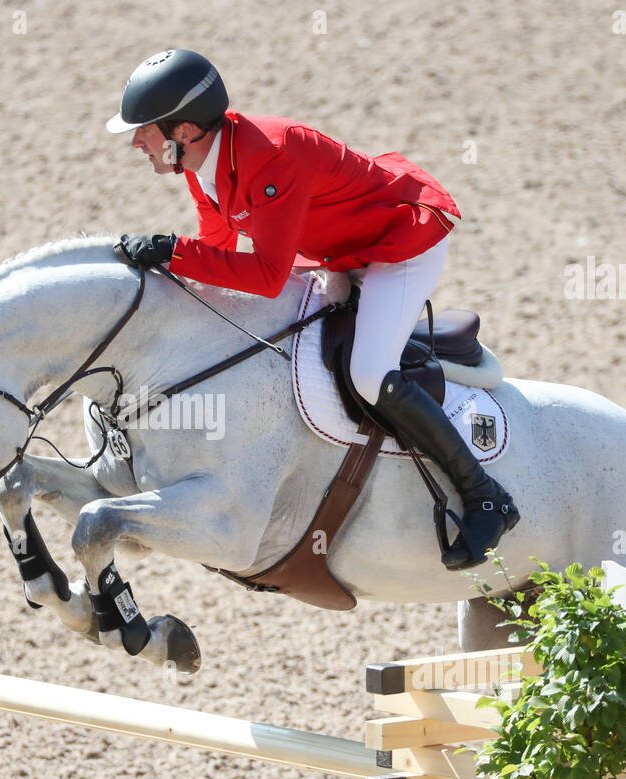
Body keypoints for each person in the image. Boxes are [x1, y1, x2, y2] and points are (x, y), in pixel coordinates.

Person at [106, 49, 518, 571]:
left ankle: (484, 495)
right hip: (334, 248)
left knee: (367, 373)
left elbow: (265, 275)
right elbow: (220, 249)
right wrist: (171, 266)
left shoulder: (272, 155)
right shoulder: (199, 162)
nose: (136, 143)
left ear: (184, 130)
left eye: (143, 132)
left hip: (396, 243)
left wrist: (172, 249)